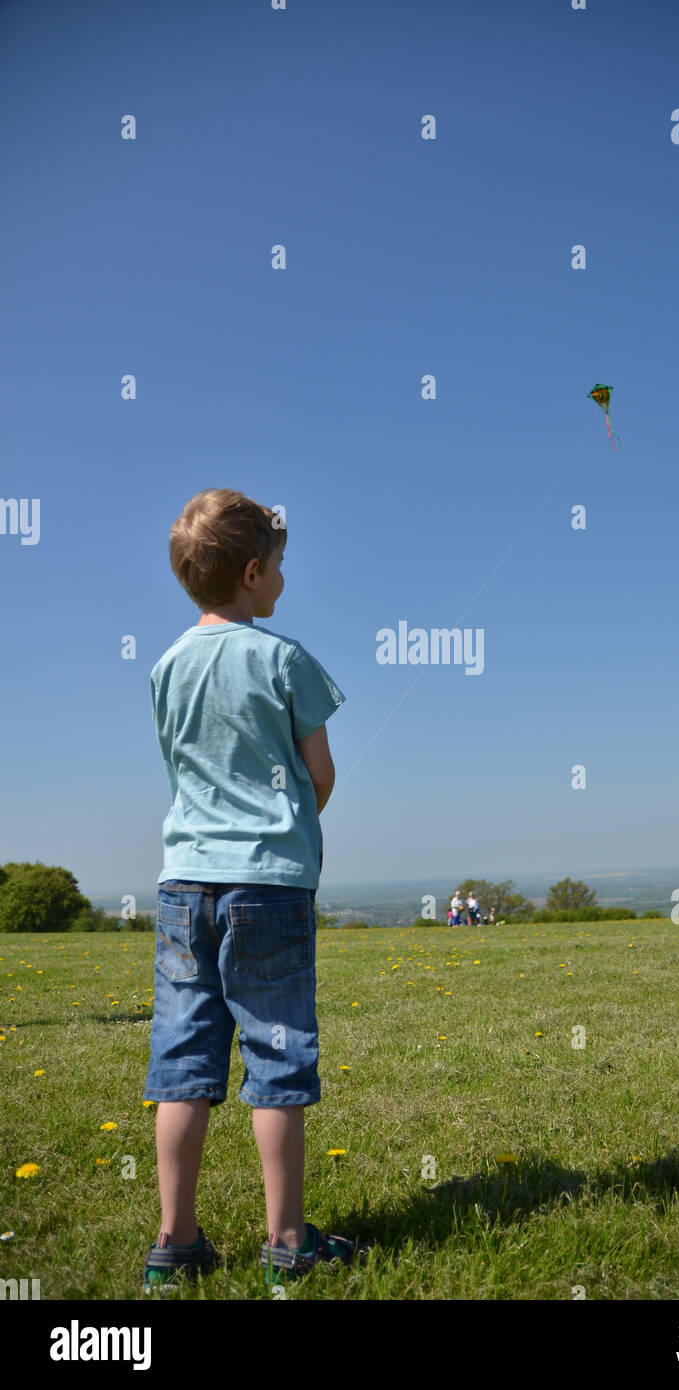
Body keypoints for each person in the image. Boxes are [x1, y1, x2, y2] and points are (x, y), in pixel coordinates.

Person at [142, 489, 369, 1293]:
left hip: (181, 888)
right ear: (251, 572)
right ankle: (285, 1244)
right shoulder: (284, 659)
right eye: (277, 563)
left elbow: (185, 769)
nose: (283, 575)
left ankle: (174, 1242)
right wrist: (286, 830)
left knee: (181, 1064)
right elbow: (319, 777)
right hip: (266, 888)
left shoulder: (166, 666)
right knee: (275, 1059)